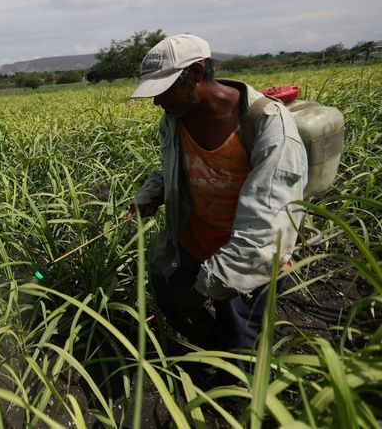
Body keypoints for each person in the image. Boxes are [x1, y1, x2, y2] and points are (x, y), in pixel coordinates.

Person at [130, 34, 307, 355]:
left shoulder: (268, 125)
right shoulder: (174, 119)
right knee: (170, 293)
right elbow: (174, 168)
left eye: (164, 90)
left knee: (245, 346)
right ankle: (212, 351)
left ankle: (241, 390)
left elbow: (269, 219)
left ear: (197, 74)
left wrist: (218, 276)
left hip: (248, 257)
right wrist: (150, 194)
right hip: (194, 241)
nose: (157, 102)